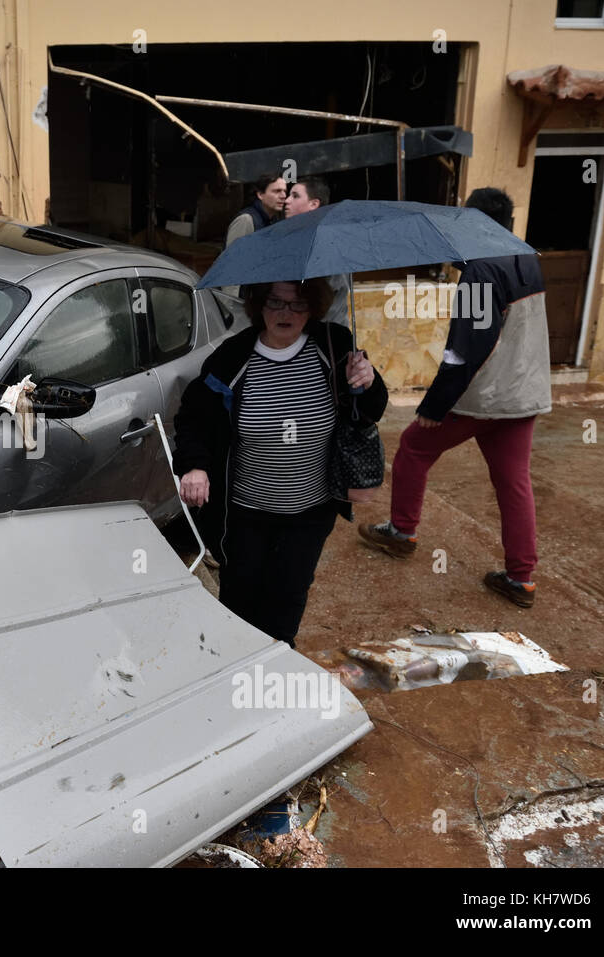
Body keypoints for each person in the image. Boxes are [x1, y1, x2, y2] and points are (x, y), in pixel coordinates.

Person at [358, 187, 551, 608]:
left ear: (476, 222)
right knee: (514, 483)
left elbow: (467, 348)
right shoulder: (525, 258)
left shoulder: (482, 269)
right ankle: (521, 579)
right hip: (523, 395)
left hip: (483, 395)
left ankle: (402, 532)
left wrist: (434, 405)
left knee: (412, 447)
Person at [173, 278, 388, 646]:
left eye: (297, 304)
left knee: (287, 599)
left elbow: (369, 411)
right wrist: (195, 465)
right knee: (240, 601)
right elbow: (193, 417)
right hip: (244, 513)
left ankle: (275, 673)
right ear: (258, 305)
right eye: (275, 302)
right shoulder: (231, 358)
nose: (285, 313)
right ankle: (236, 673)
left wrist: (369, 383)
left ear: (313, 308)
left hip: (309, 512)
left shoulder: (334, 346)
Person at [284, 176, 350, 328]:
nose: (287, 201)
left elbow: (320, 295)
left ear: (314, 204)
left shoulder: (324, 240)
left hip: (326, 335)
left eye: (295, 196)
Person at [221, 172, 287, 299]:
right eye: (277, 191)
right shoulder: (247, 220)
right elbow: (231, 268)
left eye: (285, 191)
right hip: (240, 301)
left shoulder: (273, 221)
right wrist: (232, 306)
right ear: (260, 194)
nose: (283, 196)